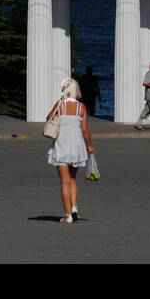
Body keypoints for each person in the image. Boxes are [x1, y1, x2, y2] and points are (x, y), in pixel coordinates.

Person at [46, 77, 93, 223]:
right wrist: (89, 145)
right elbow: (85, 130)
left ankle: (67, 215)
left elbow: (49, 118)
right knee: (72, 179)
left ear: (64, 90)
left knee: (64, 181)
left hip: (62, 143)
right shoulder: (81, 107)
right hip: (77, 145)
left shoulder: (60, 105)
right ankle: (74, 208)